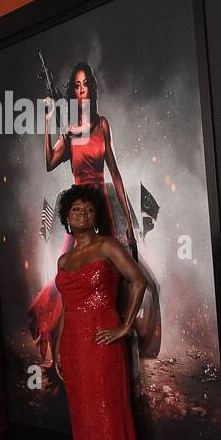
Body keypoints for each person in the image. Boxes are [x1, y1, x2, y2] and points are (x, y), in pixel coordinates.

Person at [28, 60, 158, 383]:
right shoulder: (70, 130)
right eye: (77, 86)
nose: (82, 90)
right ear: (72, 91)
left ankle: (119, 351)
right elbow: (48, 163)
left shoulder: (102, 124)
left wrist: (129, 221)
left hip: (105, 210)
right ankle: (71, 353)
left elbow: (115, 173)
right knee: (71, 285)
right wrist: (46, 121)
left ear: (92, 90)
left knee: (116, 283)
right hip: (81, 213)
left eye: (86, 85)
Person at [54, 185, 167, 440]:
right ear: (67, 219)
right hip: (73, 344)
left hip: (103, 338)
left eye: (88, 209)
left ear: (96, 216)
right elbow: (65, 308)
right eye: (76, 210)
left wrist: (125, 327)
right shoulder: (64, 260)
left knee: (107, 417)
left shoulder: (108, 246)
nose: (83, 214)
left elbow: (139, 282)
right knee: (85, 423)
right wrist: (59, 347)